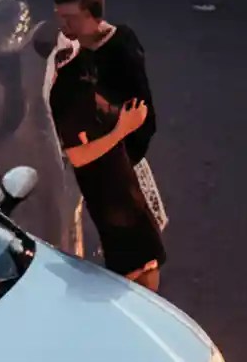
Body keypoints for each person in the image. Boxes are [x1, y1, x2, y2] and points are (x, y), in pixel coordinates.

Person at [0, 0, 80, 255]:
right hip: (22, 155)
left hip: (43, 155)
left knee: (53, 221)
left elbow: (55, 197)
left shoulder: (34, 114)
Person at [49, 29, 165, 290]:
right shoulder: (67, 96)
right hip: (112, 203)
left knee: (145, 261)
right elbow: (77, 156)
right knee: (134, 270)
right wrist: (121, 129)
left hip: (124, 195)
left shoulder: (83, 84)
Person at [51, 0, 168, 235]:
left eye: (70, 18)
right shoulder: (68, 48)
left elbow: (144, 114)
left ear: (92, 15)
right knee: (68, 217)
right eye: (59, 17)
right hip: (80, 147)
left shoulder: (121, 49)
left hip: (116, 152)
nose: (63, 25)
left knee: (134, 229)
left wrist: (121, 161)